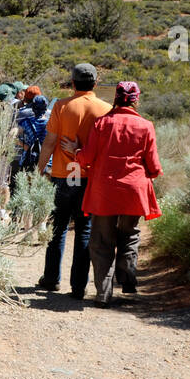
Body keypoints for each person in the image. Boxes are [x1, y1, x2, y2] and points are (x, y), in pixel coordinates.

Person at [75, 80, 162, 306]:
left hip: (104, 191)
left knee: (102, 241)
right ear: (136, 100)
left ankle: (104, 294)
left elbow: (87, 157)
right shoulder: (146, 126)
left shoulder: (102, 123)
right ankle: (128, 280)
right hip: (133, 191)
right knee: (130, 234)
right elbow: (153, 167)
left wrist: (76, 152)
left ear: (116, 97)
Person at [36, 63, 111, 298]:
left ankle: (51, 279)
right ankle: (79, 286)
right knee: (84, 230)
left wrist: (39, 168)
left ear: (73, 83)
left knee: (57, 228)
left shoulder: (61, 106)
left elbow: (50, 142)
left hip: (63, 175)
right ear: (95, 83)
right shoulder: (106, 109)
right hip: (90, 177)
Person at [11, 94, 49, 191]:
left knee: (27, 189)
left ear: (33, 107)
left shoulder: (25, 122)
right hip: (47, 162)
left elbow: (11, 136)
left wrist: (25, 146)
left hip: (28, 161)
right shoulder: (51, 124)